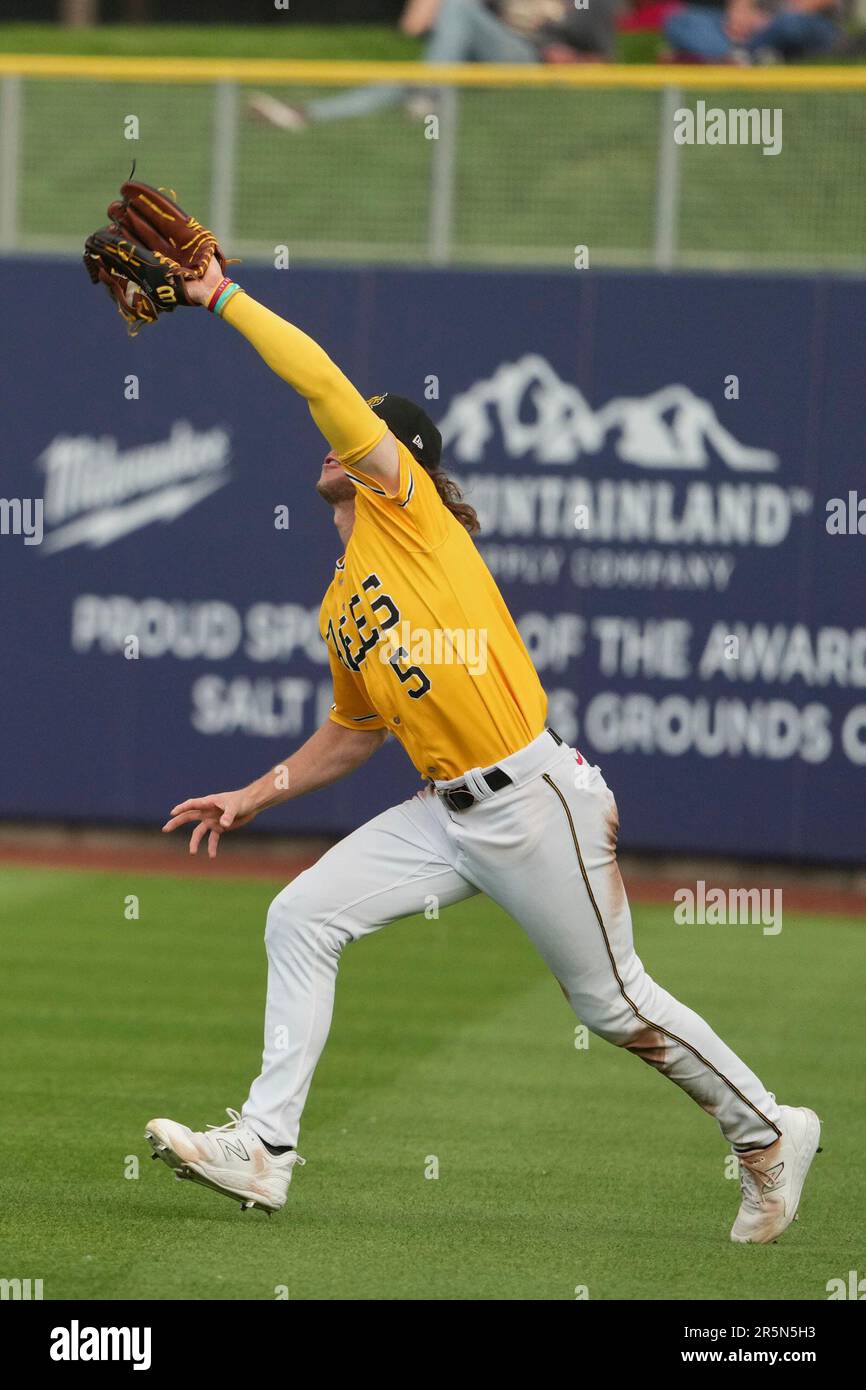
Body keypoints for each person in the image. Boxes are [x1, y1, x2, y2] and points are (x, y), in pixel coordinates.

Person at [146, 256, 820, 1243]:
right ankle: (264, 1146)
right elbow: (350, 735)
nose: (335, 440)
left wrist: (220, 296)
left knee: (613, 1004)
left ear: (394, 456)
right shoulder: (342, 605)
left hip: (531, 795)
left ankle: (767, 1130)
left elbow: (321, 384)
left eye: (360, 433)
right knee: (300, 918)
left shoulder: (403, 508)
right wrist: (254, 794)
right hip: (443, 814)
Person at [248, 0, 618, 133]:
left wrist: (570, 62)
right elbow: (415, 25)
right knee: (400, 82)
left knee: (459, 6)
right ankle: (302, 115)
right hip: (480, 62)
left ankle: (427, 92)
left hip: (531, 67)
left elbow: (604, 61)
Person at [663, 0, 841, 62]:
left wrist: (768, 21)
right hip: (756, 31)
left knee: (790, 24)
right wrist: (739, 17)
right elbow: (739, 9)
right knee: (680, 21)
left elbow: (807, 5)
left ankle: (733, 56)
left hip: (805, 23)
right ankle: (739, 56)